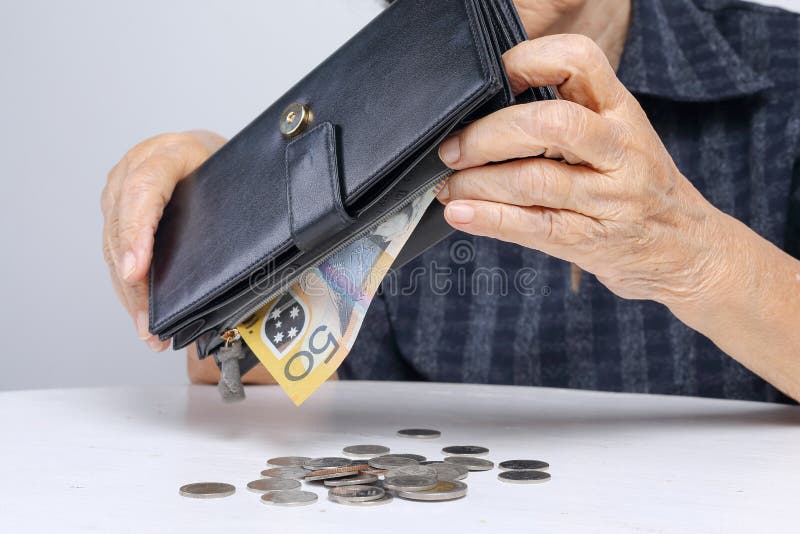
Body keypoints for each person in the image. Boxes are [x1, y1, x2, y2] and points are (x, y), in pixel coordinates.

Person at [101, 0, 800, 403]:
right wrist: (218, 214)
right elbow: (230, 371)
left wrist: (699, 260)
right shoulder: (386, 119)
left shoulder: (787, 69)